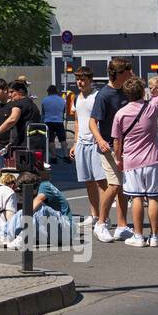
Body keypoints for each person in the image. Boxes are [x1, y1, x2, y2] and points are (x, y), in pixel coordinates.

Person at [112, 67, 158, 247]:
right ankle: (154, 236)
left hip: (132, 160)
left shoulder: (121, 113)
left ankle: (138, 236)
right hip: (154, 158)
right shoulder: (153, 106)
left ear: (126, 94)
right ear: (143, 91)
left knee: (137, 197)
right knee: (154, 198)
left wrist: (118, 158)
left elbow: (117, 141)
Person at [90, 57, 135, 243]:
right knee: (115, 184)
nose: (130, 75)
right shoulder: (104, 95)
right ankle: (101, 223)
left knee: (124, 186)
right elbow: (93, 121)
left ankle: (122, 226)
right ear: (118, 74)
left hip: (127, 146)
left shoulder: (126, 91)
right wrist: (100, 140)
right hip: (108, 146)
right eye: (127, 72)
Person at [68, 68, 104, 229]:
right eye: (77, 79)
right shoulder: (76, 97)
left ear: (90, 80)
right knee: (88, 181)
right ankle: (94, 215)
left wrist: (100, 138)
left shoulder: (97, 96)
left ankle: (104, 217)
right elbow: (76, 121)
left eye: (82, 79)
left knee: (101, 181)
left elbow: (102, 119)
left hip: (95, 143)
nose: (79, 82)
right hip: (82, 143)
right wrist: (75, 143)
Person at [6, 171, 75, 251]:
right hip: (56, 230)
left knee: (39, 209)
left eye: (23, 191)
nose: (22, 194)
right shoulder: (41, 188)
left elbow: (32, 207)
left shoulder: (45, 186)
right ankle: (7, 235)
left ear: (30, 187)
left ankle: (23, 238)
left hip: (67, 229)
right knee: (22, 212)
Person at [0, 81, 38, 151]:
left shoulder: (18, 104)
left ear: (20, 91)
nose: (9, 95)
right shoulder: (32, 104)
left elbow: (12, 119)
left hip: (22, 146)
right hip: (37, 144)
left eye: (12, 92)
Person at [40, 85, 67, 163]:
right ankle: (66, 156)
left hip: (48, 122)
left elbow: (43, 112)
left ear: (48, 92)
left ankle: (54, 157)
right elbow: (64, 111)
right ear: (56, 91)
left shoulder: (45, 100)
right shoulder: (62, 100)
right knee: (63, 139)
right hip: (59, 121)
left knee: (51, 140)